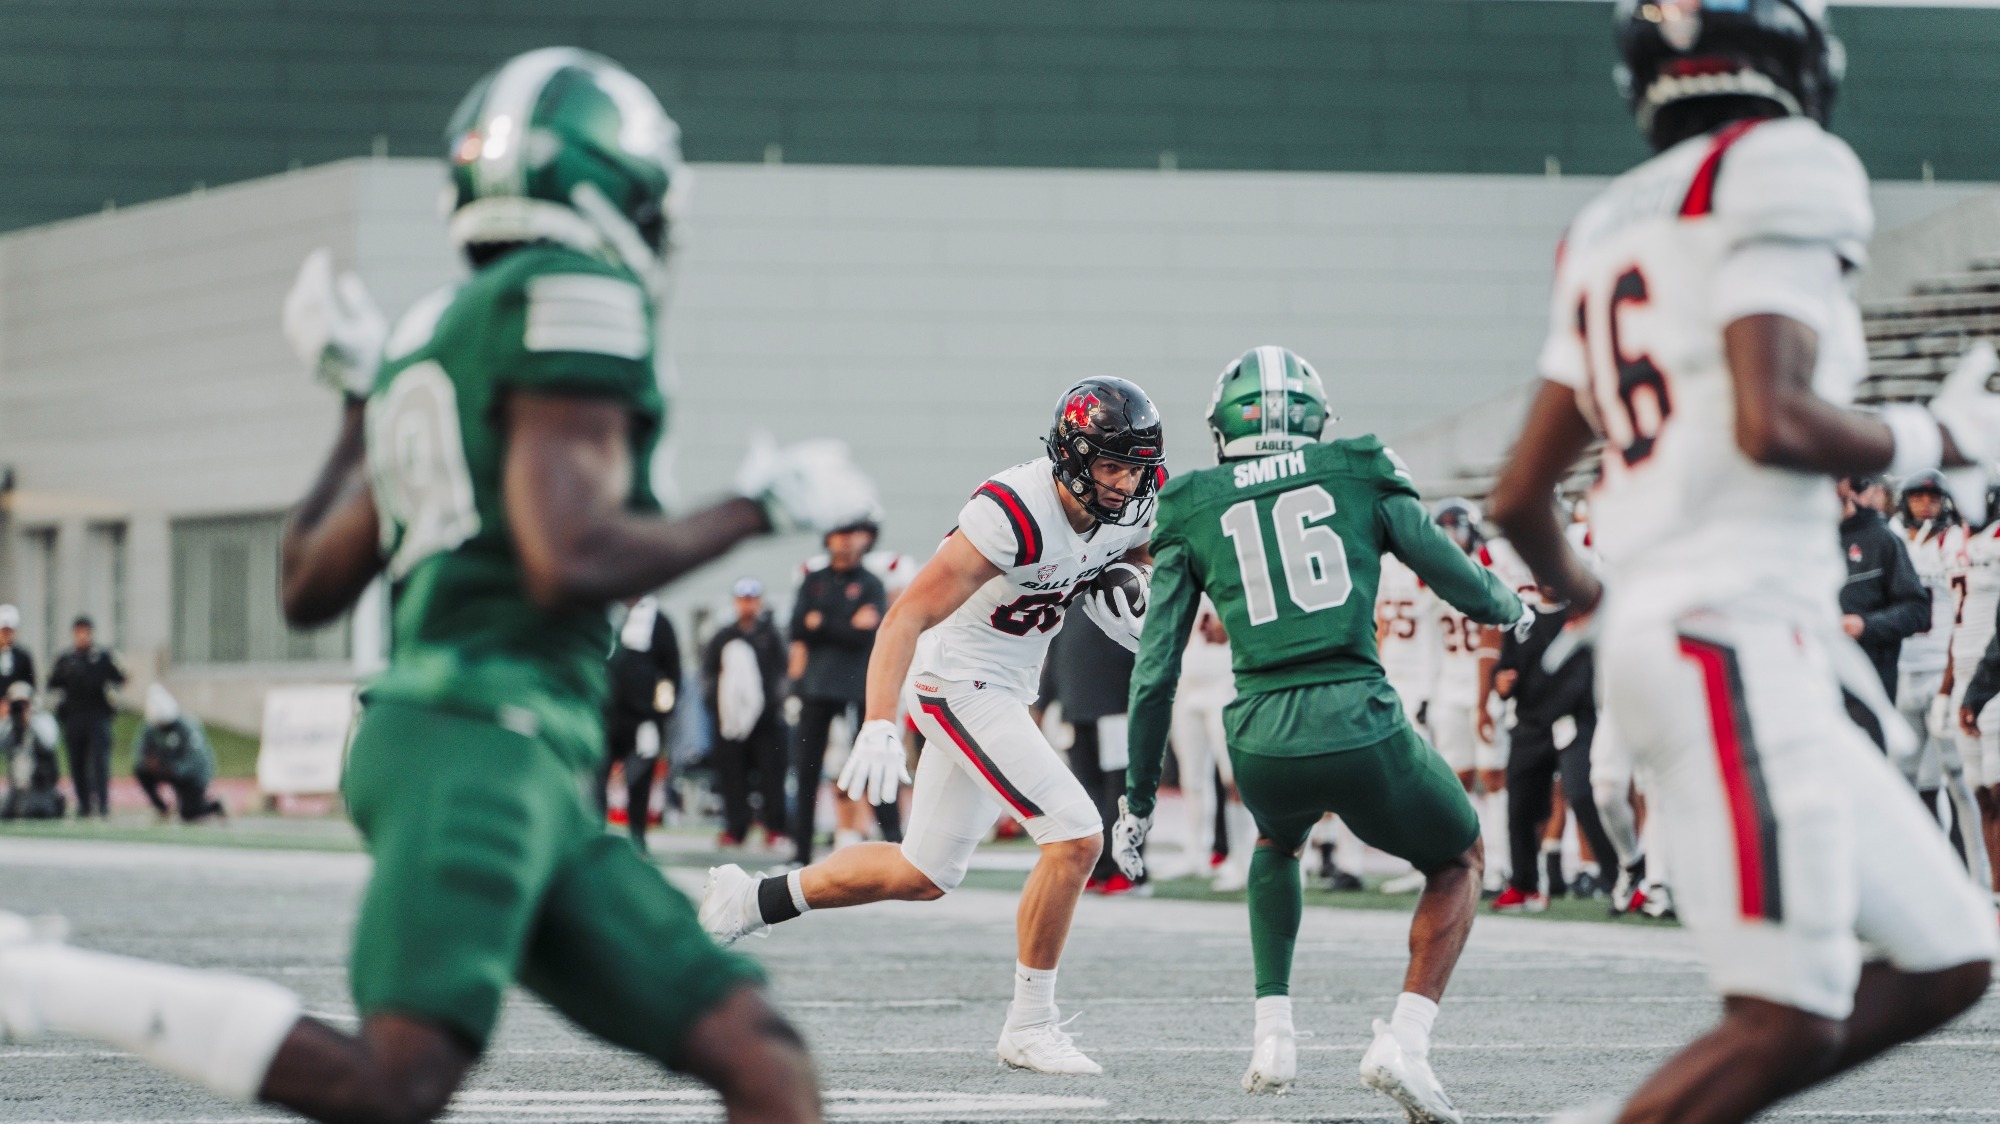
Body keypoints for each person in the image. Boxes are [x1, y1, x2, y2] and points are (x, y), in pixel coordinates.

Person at [0, 48, 878, 1123]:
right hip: (483, 739)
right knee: (397, 1079)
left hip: (488, 745)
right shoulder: (575, 295)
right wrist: (756, 504)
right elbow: (569, 556)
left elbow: (307, 582)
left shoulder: (432, 336)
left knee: (761, 1054)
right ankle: (39, 980)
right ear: (612, 191)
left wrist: (358, 399)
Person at [1487, 5, 1999, 1120]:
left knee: (1950, 953)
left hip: (1705, 626)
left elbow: (1520, 496)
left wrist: (1606, 603)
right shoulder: (1785, 163)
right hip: (1730, 629)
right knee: (1785, 1014)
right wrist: (1943, 437)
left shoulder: (1608, 220)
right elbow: (1773, 420)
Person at [702, 377, 1164, 1077]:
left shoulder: (1134, 504)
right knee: (1075, 837)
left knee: (922, 873)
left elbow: (1142, 553)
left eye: (1135, 467)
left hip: (1009, 685)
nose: (1124, 483)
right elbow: (906, 616)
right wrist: (878, 723)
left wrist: (1138, 579)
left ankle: (749, 900)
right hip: (958, 678)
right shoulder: (1013, 511)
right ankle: (1029, 1025)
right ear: (1071, 457)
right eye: (1110, 465)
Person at [1115, 345, 1525, 1118]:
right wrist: (1512, 609)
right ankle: (1406, 1042)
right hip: (1358, 717)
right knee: (1460, 859)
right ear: (1312, 419)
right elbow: (1453, 575)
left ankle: (1273, 1032)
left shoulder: (1191, 502)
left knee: (1277, 842)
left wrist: (1137, 800)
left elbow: (1154, 669)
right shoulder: (1359, 466)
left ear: (1225, 426)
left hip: (1260, 738)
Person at [1491, 585, 1618, 913]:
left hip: (1573, 721)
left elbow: (1585, 673)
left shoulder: (1579, 615)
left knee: (1584, 794)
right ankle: (1524, 884)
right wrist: (1501, 683)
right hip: (1530, 724)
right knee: (1520, 806)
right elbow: (1505, 667)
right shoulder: (1520, 617)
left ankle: (1620, 877)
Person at [1888, 472, 1987, 886]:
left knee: (1960, 778)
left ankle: (1981, 878)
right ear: (1904, 500)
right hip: (1902, 670)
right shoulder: (1893, 537)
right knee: (1901, 782)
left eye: (1933, 497)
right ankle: (1914, 878)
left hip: (1941, 670)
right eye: (1918, 496)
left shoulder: (1953, 541)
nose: (1926, 504)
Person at [788, 520, 893, 863]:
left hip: (857, 687)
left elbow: (867, 632)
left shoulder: (871, 583)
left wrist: (823, 623)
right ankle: (800, 850)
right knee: (806, 768)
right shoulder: (813, 581)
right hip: (817, 687)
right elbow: (798, 627)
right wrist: (846, 623)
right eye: (839, 534)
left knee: (874, 762)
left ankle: (895, 839)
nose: (845, 542)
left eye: (852, 535)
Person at [1041, 603, 1140, 895]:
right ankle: (1098, 867)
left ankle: (1125, 869)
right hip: (1075, 710)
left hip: (1115, 711)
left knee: (1119, 794)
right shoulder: (1069, 599)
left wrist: (1137, 701)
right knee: (1086, 793)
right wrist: (1043, 703)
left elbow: (1139, 649)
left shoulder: (1123, 590)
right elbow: (1055, 655)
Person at [1168, 597, 1258, 892]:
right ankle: (1196, 850)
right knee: (1191, 776)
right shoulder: (1182, 577)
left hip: (1225, 681)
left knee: (1234, 776)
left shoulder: (1230, 576)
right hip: (1187, 681)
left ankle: (1243, 858)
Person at [703, 578, 790, 850]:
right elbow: (708, 674)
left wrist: (777, 703)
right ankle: (735, 828)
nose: (747, 605)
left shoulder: (771, 635)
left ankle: (775, 827)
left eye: (752, 600)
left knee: (771, 774)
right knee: (732, 776)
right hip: (730, 721)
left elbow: (784, 671)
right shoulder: (723, 637)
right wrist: (716, 706)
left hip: (767, 720)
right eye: (742, 600)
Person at [1945, 466, 2000, 895]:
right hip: (1964, 672)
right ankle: (1993, 891)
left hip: (1993, 676)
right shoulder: (1953, 539)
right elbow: (1949, 616)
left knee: (1998, 790)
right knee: (1979, 790)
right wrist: (1948, 687)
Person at [1836, 475, 1930, 715]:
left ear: (1846, 489)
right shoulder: (1806, 542)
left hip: (1870, 691)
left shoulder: (1882, 538)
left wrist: (1864, 626)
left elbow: (1917, 611)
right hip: (1817, 689)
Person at [603, 596, 681, 851]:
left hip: (643, 717)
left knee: (639, 779)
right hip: (607, 713)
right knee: (598, 777)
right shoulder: (608, 615)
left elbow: (670, 673)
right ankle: (593, 836)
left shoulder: (658, 622)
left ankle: (638, 837)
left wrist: (659, 715)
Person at [45, 615, 124, 819]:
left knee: (100, 761)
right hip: (74, 716)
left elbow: (119, 678)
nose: (82, 637)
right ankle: (84, 803)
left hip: (98, 714)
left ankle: (103, 803)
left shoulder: (102, 657)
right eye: (78, 632)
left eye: (85, 632)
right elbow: (52, 684)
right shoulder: (66, 659)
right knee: (77, 761)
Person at [132, 685, 224, 824]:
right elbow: (141, 752)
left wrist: (174, 769)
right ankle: (162, 808)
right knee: (142, 771)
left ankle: (213, 806)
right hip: (167, 769)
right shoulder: (151, 728)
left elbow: (194, 760)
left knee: (189, 815)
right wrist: (149, 763)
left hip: (191, 776)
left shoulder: (187, 727)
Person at [0, 682, 65, 821]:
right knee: (6, 811)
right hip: (17, 789)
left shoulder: (43, 720)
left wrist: (30, 720)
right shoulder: (10, 725)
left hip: (40, 787)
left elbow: (49, 742)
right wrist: (7, 718)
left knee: (32, 811)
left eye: (24, 703)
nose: (20, 708)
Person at [0, 604, 36, 700]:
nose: (6, 635)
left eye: (9, 631)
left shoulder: (23, 657)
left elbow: (30, 686)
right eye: (4, 631)